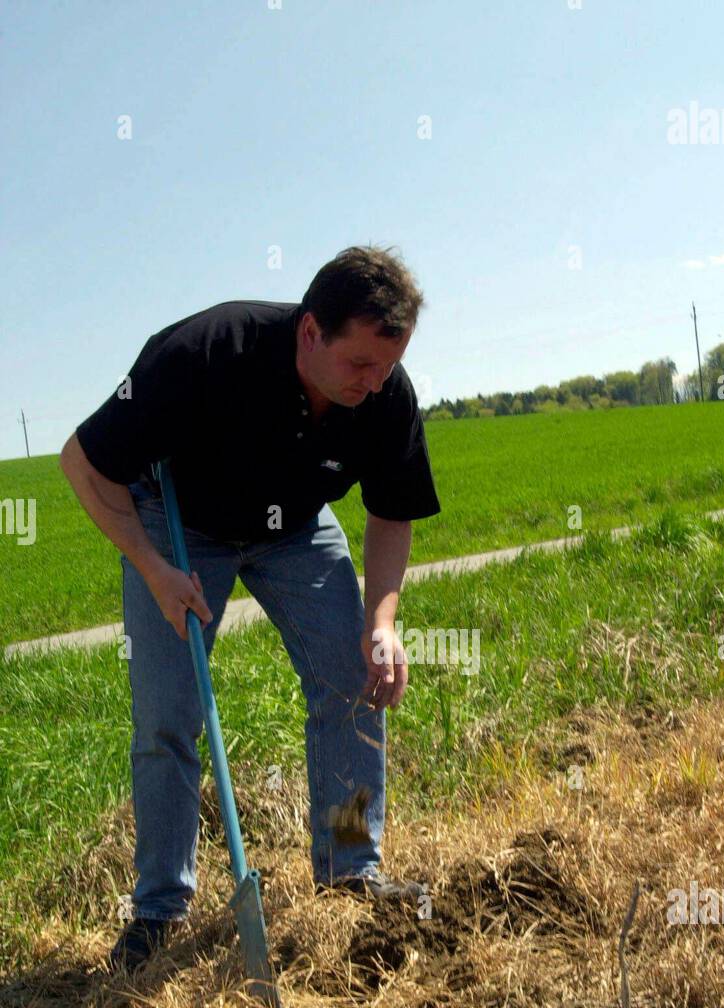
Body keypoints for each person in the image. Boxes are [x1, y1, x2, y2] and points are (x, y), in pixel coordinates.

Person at [59, 244, 441, 971]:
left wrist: (382, 622)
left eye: (388, 365)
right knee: (169, 715)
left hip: (295, 527)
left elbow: (393, 513)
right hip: (180, 527)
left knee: (352, 678)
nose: (375, 382)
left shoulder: (385, 393)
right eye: (360, 363)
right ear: (310, 331)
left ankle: (349, 873)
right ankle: (158, 911)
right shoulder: (203, 352)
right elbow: (82, 461)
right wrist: (153, 569)